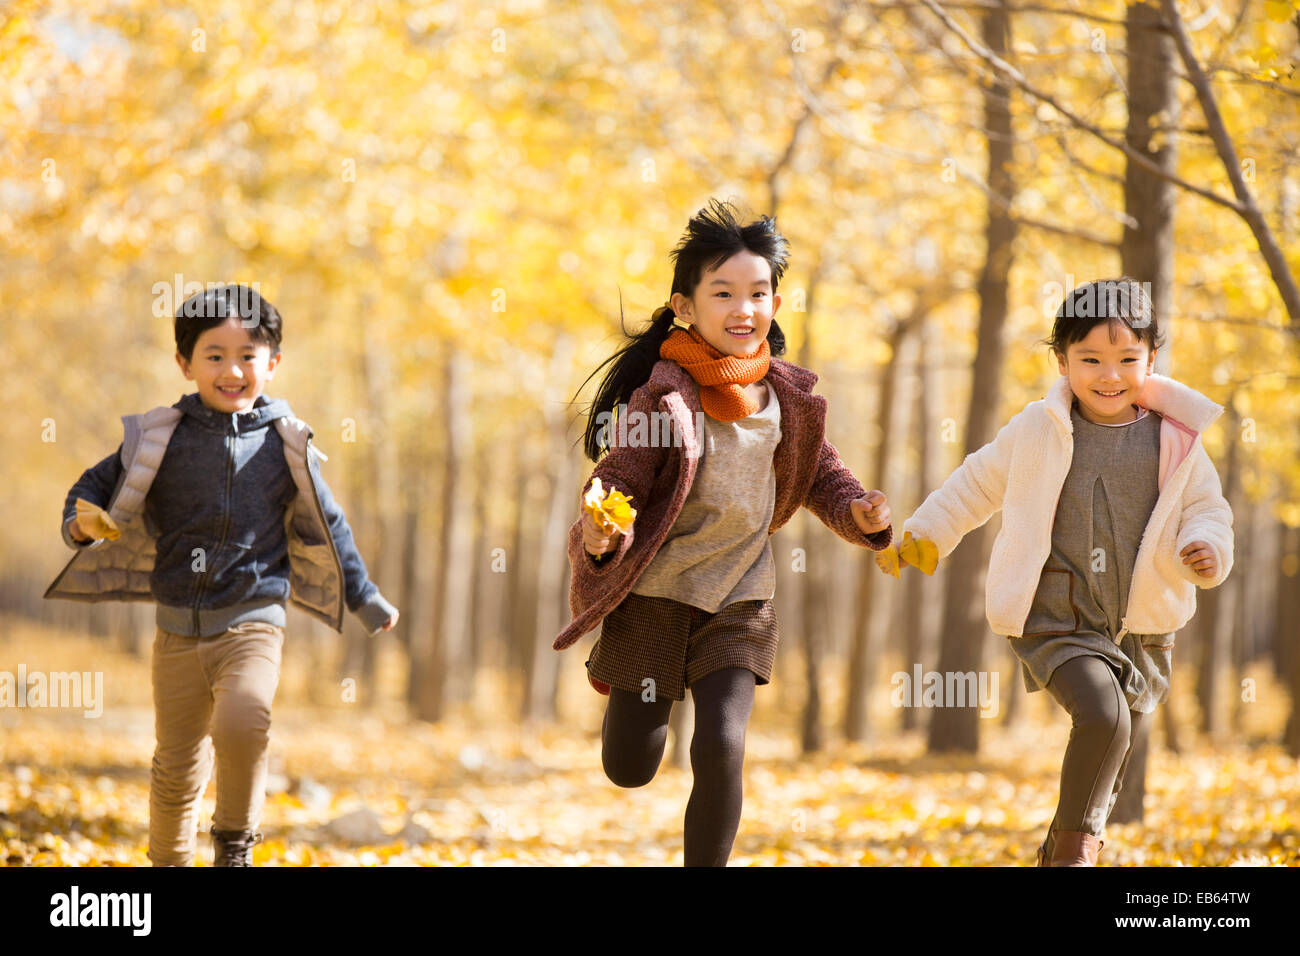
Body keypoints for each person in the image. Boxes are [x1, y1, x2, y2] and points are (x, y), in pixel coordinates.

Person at [554, 199, 893, 866]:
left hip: (740, 597)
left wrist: (859, 513)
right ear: (685, 306)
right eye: (725, 293)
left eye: (759, 293)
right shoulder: (665, 397)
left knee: (721, 746)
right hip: (655, 596)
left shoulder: (788, 400)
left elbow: (823, 473)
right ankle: (623, 694)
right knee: (629, 766)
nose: (745, 308)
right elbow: (621, 475)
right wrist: (601, 531)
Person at [883, 278, 1233, 866]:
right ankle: (1074, 858)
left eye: (1127, 359)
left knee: (1111, 748)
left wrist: (1204, 546)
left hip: (1141, 627)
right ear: (1061, 360)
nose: (1109, 375)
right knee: (1103, 715)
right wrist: (924, 534)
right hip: (1055, 617)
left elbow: (1207, 510)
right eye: (1089, 359)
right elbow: (975, 483)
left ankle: (1058, 850)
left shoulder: (1175, 438)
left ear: (1151, 358)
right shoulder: (1036, 429)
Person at [46, 284, 399, 866]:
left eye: (248, 356)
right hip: (177, 630)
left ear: (273, 364)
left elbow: (330, 525)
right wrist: (80, 525)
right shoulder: (159, 438)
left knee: (244, 719)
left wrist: (363, 598)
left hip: (254, 617)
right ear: (184, 363)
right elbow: (91, 488)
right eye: (214, 356)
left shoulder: (287, 445)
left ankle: (233, 844)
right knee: (176, 762)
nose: (232, 370)